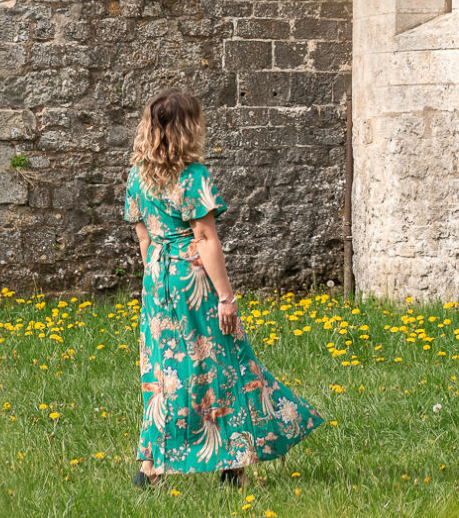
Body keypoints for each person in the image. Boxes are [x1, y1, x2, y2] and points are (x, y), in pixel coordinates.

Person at [123, 88, 323, 487]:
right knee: (221, 365)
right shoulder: (192, 177)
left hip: (158, 279)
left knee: (164, 371)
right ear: (187, 128)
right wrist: (226, 297)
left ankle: (155, 467)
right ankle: (230, 467)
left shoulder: (136, 176)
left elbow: (144, 239)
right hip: (192, 278)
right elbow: (205, 238)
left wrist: (157, 281)